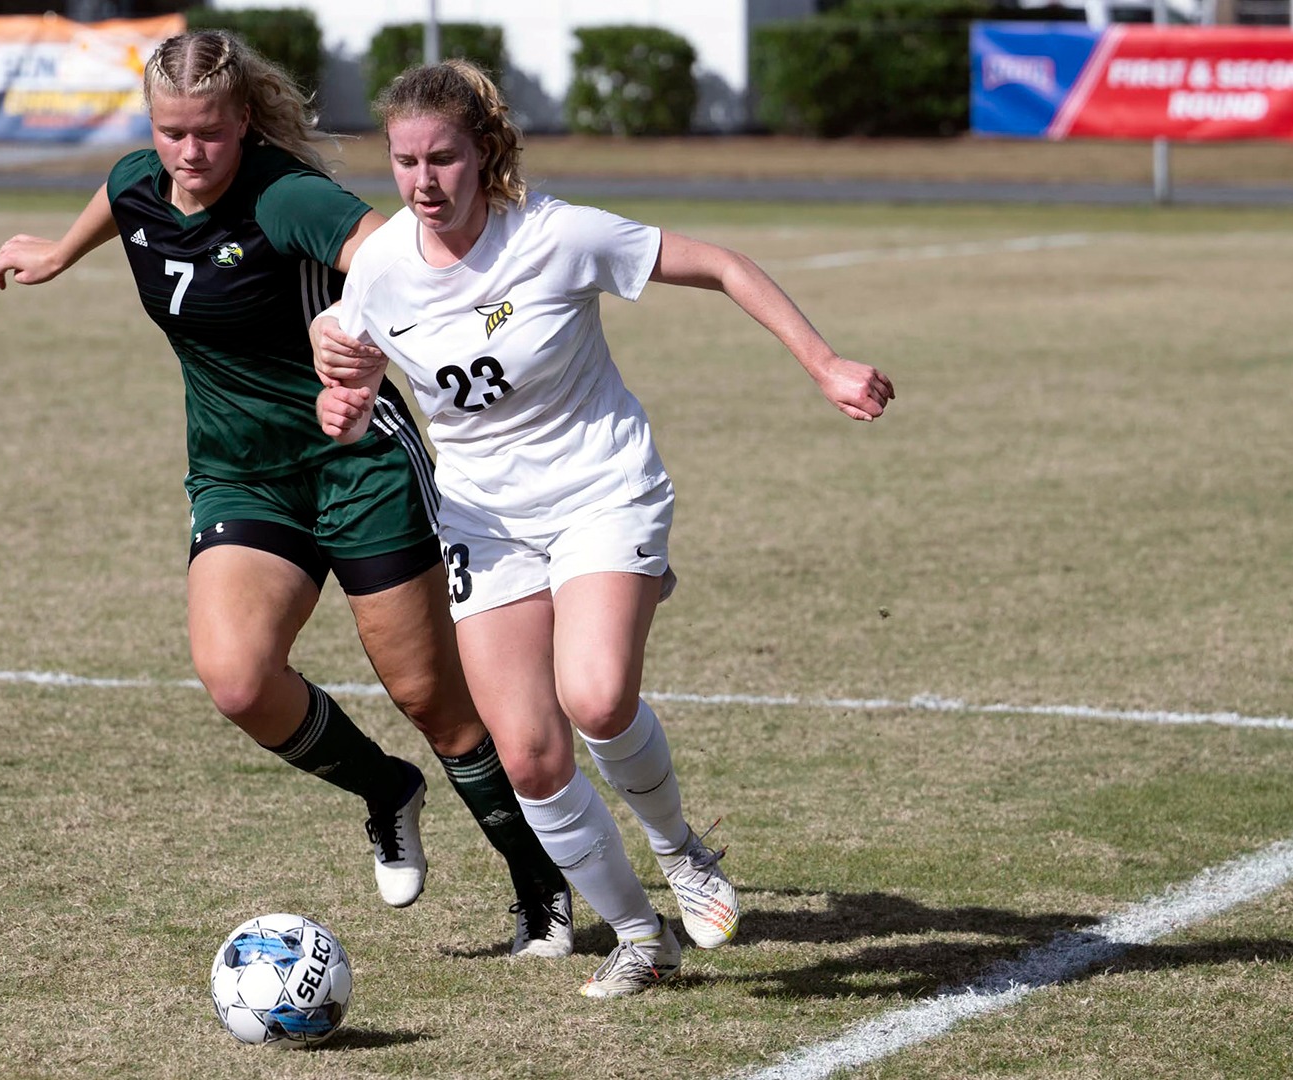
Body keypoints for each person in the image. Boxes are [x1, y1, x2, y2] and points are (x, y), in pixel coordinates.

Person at [312, 61, 896, 998]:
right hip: (484, 521)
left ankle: (682, 849)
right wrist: (339, 402)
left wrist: (824, 363)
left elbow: (722, 265)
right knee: (529, 756)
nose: (423, 182)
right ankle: (639, 936)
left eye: (443, 159)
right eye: (405, 161)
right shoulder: (381, 268)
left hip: (601, 492)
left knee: (595, 698)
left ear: (483, 152)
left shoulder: (557, 235)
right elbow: (348, 378)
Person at [0, 31, 572, 958]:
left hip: (358, 464)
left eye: (211, 133)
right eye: (172, 132)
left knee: (433, 699)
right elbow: (120, 195)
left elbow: (399, 254)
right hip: (240, 474)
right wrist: (61, 252)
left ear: (245, 119)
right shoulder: (140, 181)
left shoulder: (286, 196)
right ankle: (386, 789)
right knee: (238, 678)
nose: (190, 153)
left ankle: (542, 889)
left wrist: (371, 335)